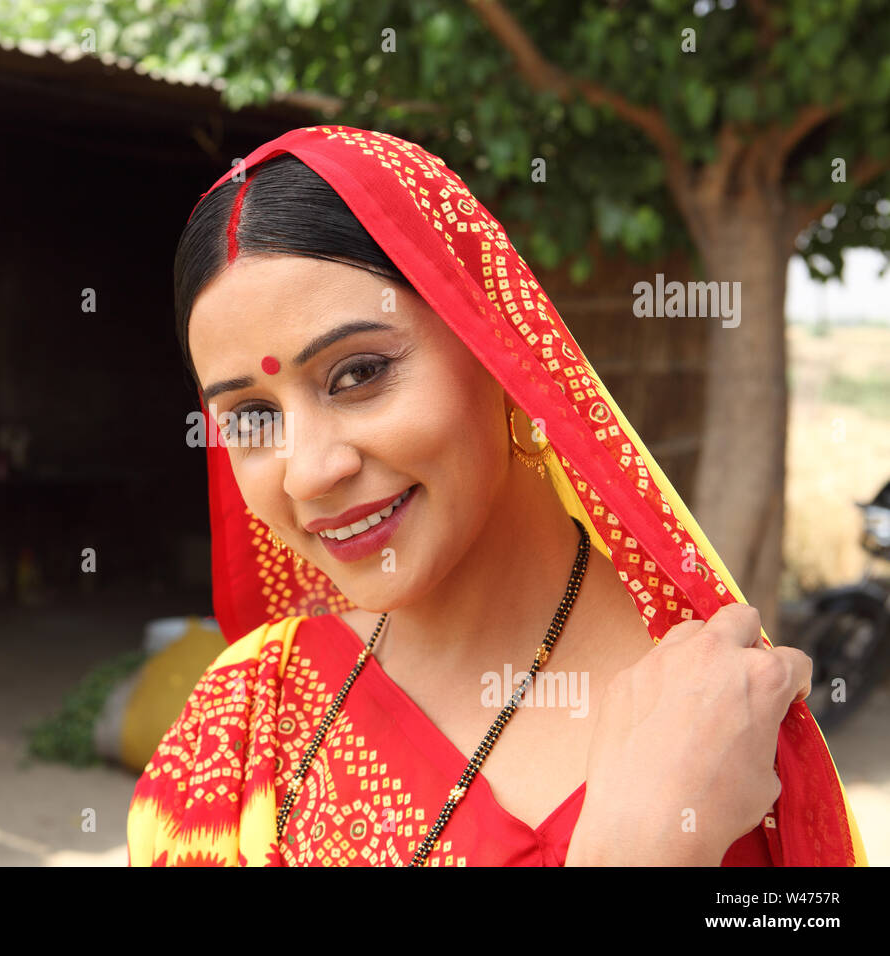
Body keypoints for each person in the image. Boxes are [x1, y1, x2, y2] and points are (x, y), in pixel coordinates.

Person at [126, 126, 867, 866]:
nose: (307, 472)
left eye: (357, 374)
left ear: (493, 345)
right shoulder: (245, 716)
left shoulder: (715, 724)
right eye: (253, 417)